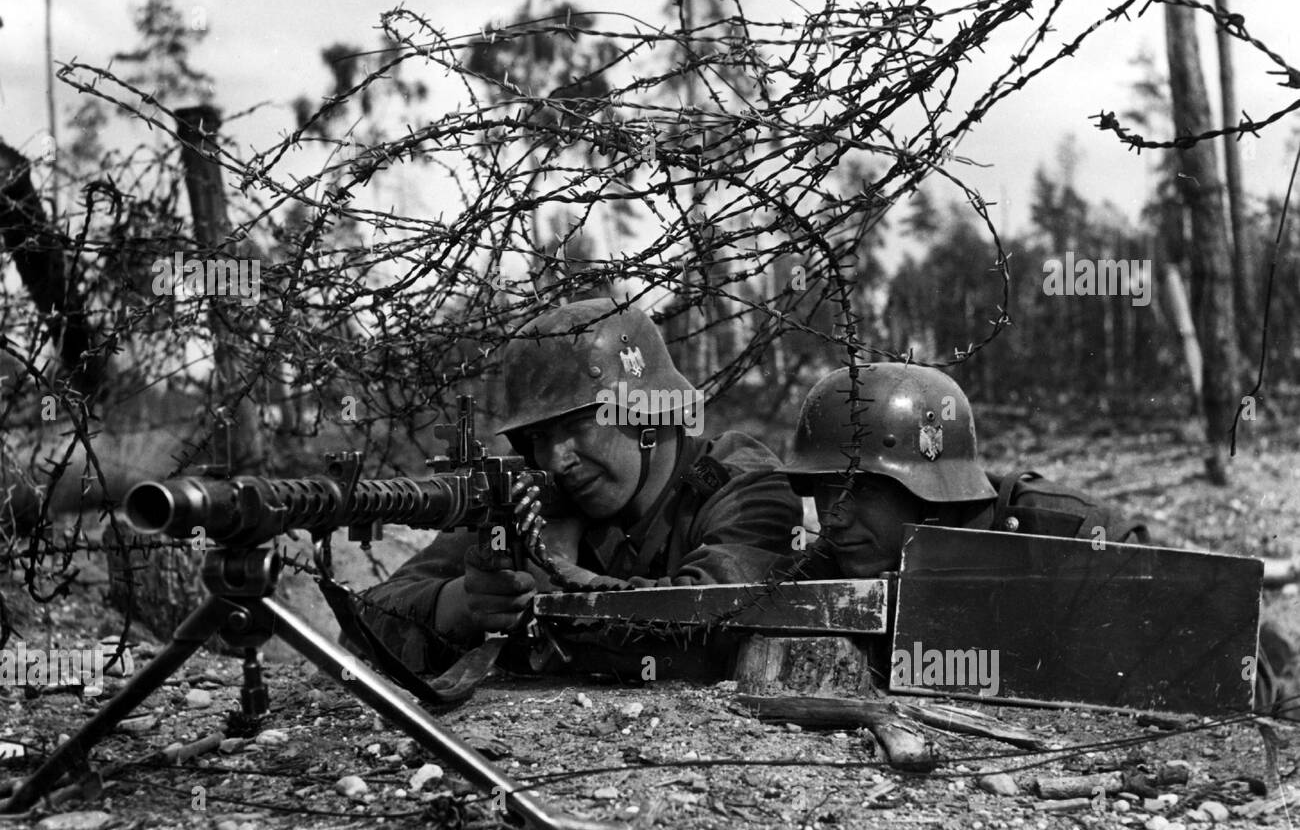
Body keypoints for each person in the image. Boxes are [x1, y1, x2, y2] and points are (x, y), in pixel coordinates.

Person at [361, 297, 803, 678]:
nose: (556, 459)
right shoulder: (534, 494)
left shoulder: (741, 483)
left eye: (578, 426)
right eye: (538, 438)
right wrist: (460, 605)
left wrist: (565, 583)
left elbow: (719, 620)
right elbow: (365, 622)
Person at [780, 364, 1150, 578]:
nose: (834, 517)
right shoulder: (830, 567)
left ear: (934, 491)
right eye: (825, 487)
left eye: (864, 490)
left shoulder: (1070, 536)